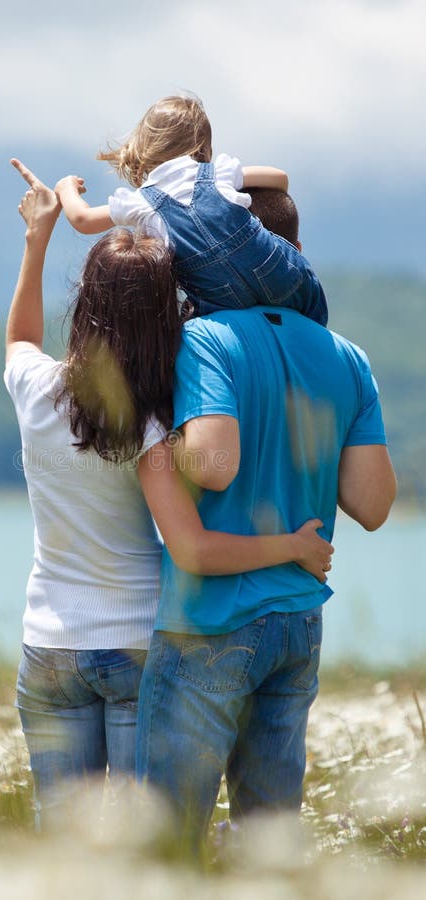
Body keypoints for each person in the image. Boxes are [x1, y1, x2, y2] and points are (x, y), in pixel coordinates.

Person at [4, 161, 333, 827]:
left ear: (87, 300)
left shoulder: (34, 389)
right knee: (138, 848)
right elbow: (193, 548)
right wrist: (291, 546)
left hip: (46, 646)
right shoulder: (151, 426)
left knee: (60, 844)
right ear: (164, 314)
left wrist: (37, 237)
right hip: (134, 646)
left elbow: (20, 338)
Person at [136, 186, 397, 853]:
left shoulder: (204, 340)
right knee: (270, 847)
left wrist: (156, 451)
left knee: (168, 843)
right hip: (299, 620)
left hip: (212, 620)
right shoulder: (348, 356)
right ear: (295, 257)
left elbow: (215, 466)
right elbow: (372, 506)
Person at [54, 93, 327, 323]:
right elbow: (280, 178)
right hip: (278, 270)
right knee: (313, 312)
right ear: (204, 147)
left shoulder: (141, 203)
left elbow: (82, 219)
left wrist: (66, 188)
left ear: (143, 148)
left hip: (220, 302)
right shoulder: (217, 172)